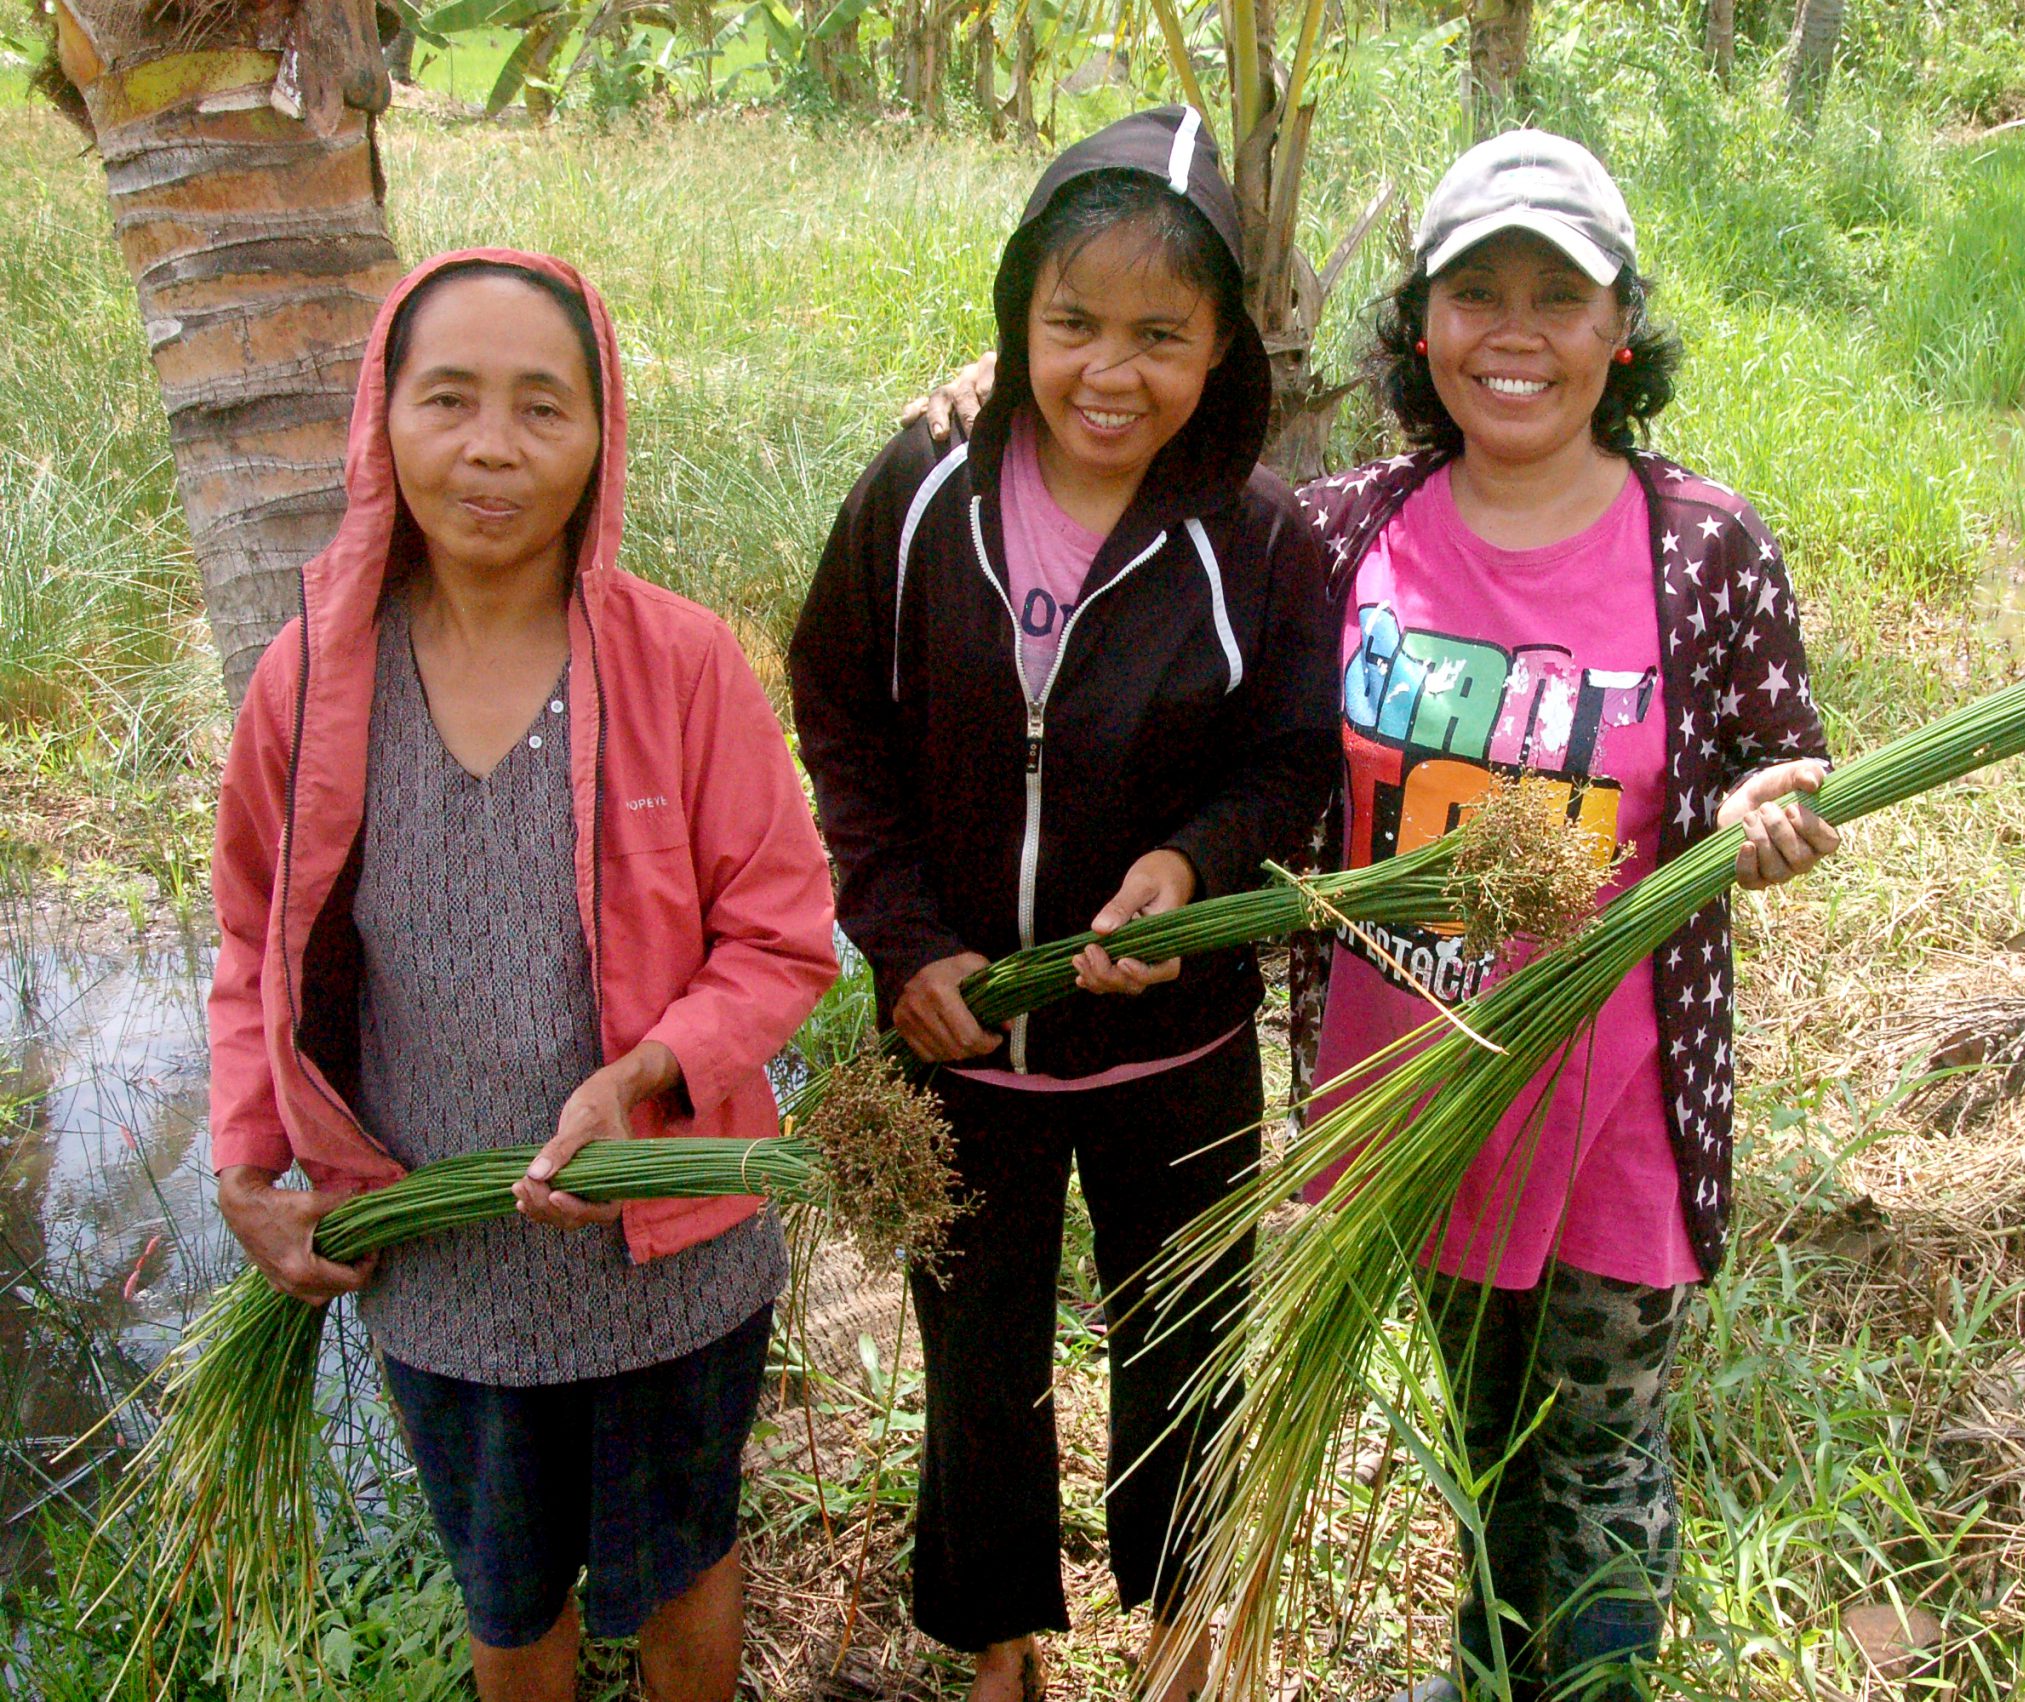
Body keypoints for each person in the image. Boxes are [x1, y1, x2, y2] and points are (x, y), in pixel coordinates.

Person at [911, 129, 1839, 1702]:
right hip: (1412, 1087)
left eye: (1560, 297)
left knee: (1599, 1454)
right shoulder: (1341, 530)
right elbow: (1166, 505)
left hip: (1609, 1101)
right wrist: (994, 391)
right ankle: (1486, 1676)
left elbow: (1776, 751)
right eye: (1477, 294)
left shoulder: (1702, 544)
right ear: (1421, 327)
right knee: (1485, 1438)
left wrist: (1770, 808)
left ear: (1622, 328)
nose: (1516, 335)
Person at [208, 249, 839, 1702]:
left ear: (600, 436)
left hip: (669, 1253)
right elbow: (255, 943)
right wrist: (248, 1164)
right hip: (441, 1262)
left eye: (542, 406)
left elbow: (781, 929)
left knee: (681, 1564)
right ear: (382, 421)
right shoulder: (308, 684)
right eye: (449, 399)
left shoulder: (682, 666)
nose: (492, 447)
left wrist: (648, 1071)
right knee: (506, 1596)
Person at [789, 107, 1339, 1702]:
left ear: (1224, 345)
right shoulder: (921, 491)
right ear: (1017, 314)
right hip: (957, 1039)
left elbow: (1289, 757)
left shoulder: (1257, 539)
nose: (1112, 371)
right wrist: (901, 937)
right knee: (977, 1367)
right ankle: (1002, 1647)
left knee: (1187, 1343)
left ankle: (1184, 1637)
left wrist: (1194, 869)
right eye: (1074, 322)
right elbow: (839, 709)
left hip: (1175, 1049)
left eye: (1162, 335)